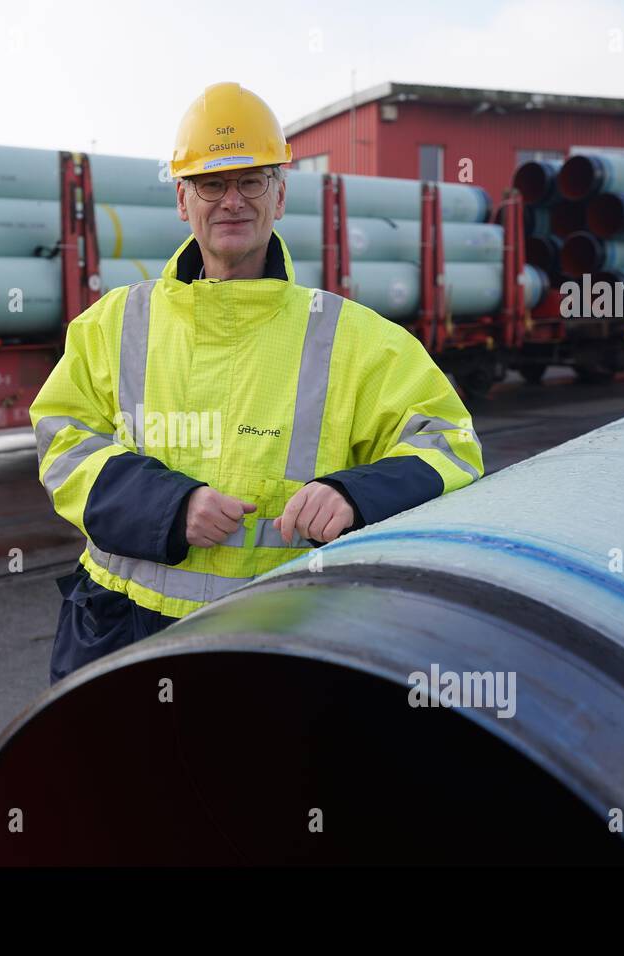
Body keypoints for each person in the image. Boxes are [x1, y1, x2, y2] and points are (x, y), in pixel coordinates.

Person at [31, 82, 484, 685]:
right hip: (119, 632)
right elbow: (63, 442)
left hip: (282, 634)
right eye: (212, 184)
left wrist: (354, 494)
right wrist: (169, 507)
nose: (232, 201)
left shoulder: (354, 338)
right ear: (182, 200)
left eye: (252, 181)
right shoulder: (114, 323)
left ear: (280, 195)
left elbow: (452, 444)